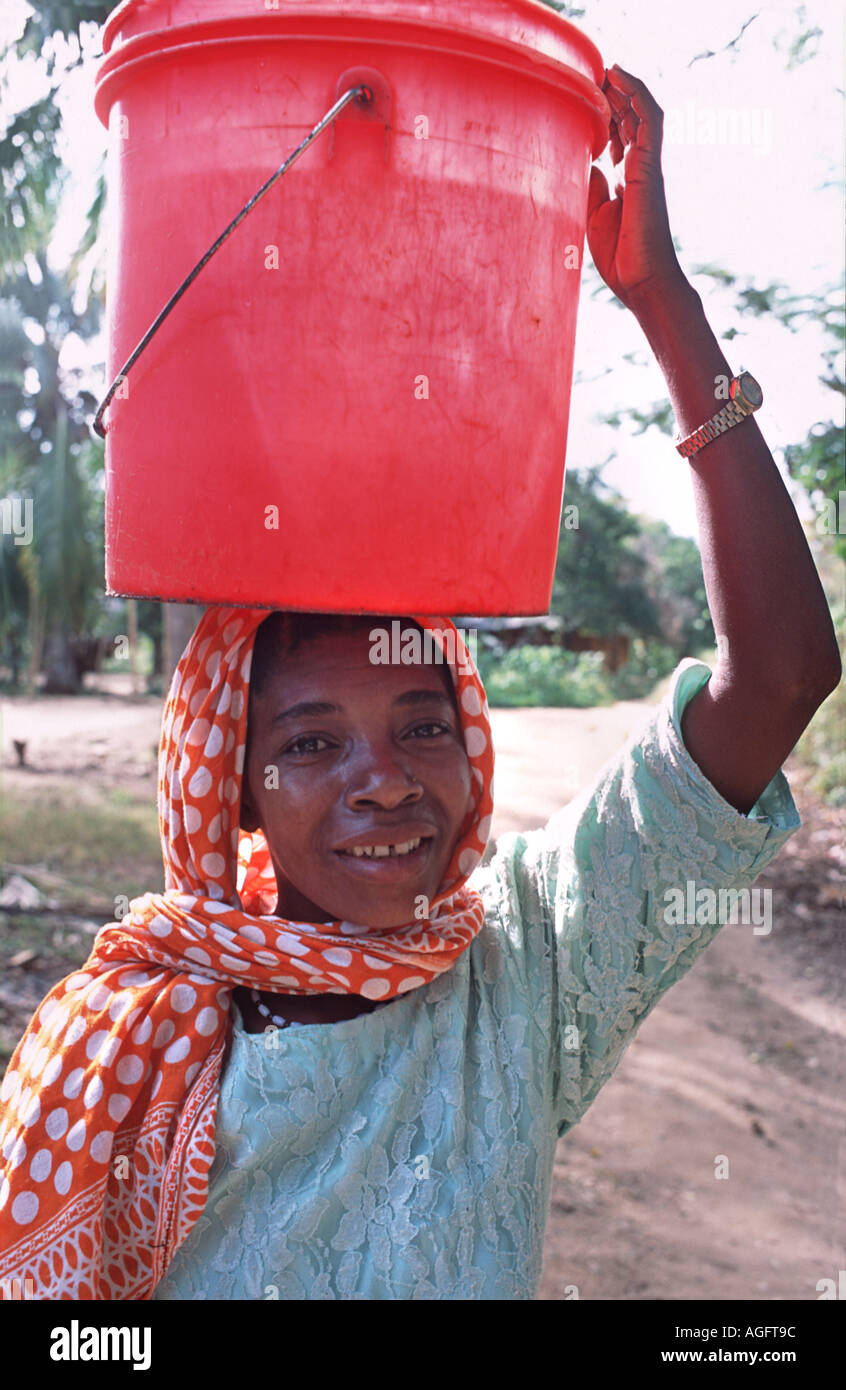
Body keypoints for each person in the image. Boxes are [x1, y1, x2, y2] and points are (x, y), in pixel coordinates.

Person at [0, 66, 839, 1301]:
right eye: (309, 743)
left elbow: (780, 675)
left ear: (472, 744)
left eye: (420, 723)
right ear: (230, 784)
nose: (383, 781)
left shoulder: (525, 975)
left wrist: (661, 301)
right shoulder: (140, 1042)